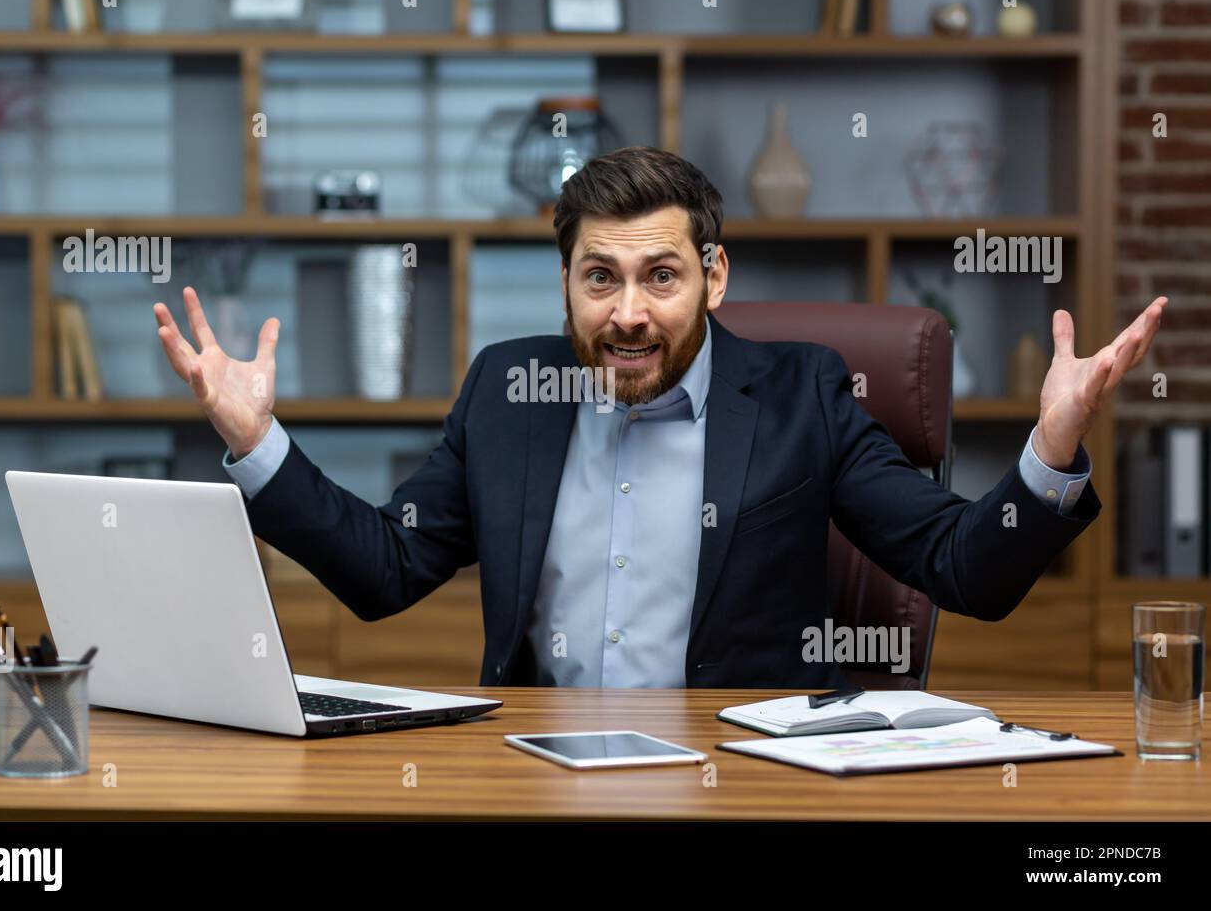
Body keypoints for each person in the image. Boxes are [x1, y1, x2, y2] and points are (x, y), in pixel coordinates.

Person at [154, 146, 1166, 689]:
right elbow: (383, 570)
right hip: (534, 775)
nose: (627, 310)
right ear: (565, 283)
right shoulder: (509, 391)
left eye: (660, 275)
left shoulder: (803, 393)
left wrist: (1052, 448)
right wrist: (255, 439)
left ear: (713, 277)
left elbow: (961, 568)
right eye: (600, 276)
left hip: (742, 784)